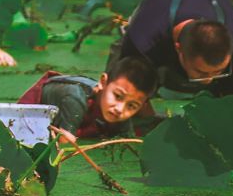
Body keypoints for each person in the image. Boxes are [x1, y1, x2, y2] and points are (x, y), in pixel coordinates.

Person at [110, 0, 233, 99]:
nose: (208, 80)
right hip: (159, 24)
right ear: (178, 49)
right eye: (201, 72)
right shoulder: (143, 41)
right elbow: (129, 100)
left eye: (219, 71)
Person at [17, 57, 160, 141]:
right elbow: (66, 144)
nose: (119, 109)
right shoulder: (74, 99)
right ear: (103, 83)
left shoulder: (119, 111)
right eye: (117, 96)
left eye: (132, 106)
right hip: (28, 119)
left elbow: (126, 143)